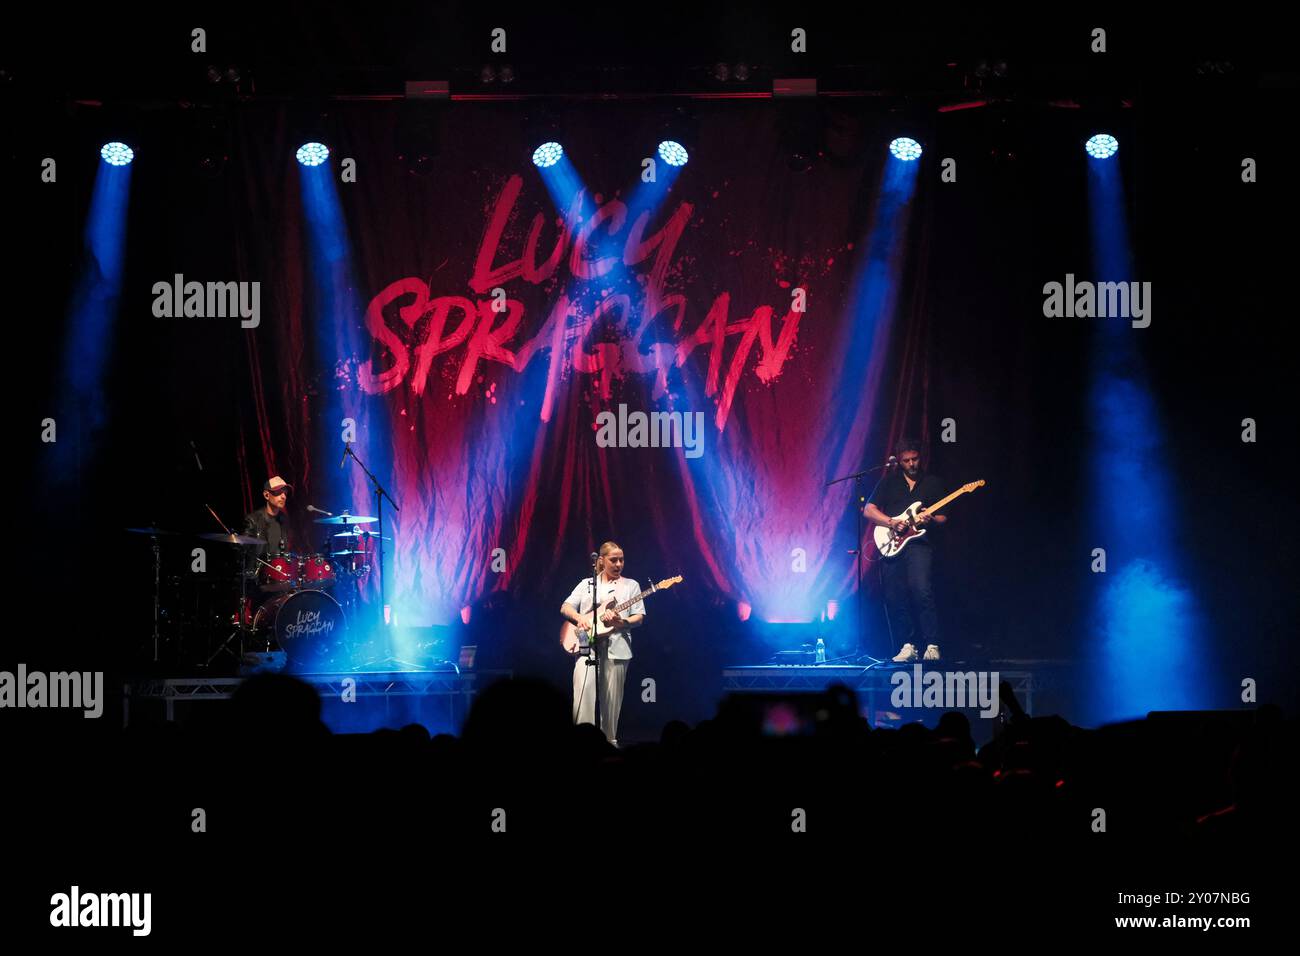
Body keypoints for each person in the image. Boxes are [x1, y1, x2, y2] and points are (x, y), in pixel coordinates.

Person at [863, 440, 947, 662]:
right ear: (899, 461)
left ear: (920, 458)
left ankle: (932, 644)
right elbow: (869, 510)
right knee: (894, 596)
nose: (911, 464)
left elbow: (942, 517)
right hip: (893, 543)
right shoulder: (889, 482)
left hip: (919, 544)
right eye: (907, 460)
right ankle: (907, 645)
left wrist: (931, 518)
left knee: (922, 590)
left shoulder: (932, 483)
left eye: (915, 459)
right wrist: (891, 522)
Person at [559, 541, 645, 747]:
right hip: (586, 646)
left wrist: (620, 622)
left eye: (621, 560)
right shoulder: (587, 584)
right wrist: (579, 618)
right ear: (601, 561)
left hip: (617, 647)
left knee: (611, 701)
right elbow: (565, 607)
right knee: (583, 694)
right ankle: (582, 743)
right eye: (613, 560)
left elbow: (639, 617)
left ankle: (609, 743)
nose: (618, 564)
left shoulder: (631, 585)